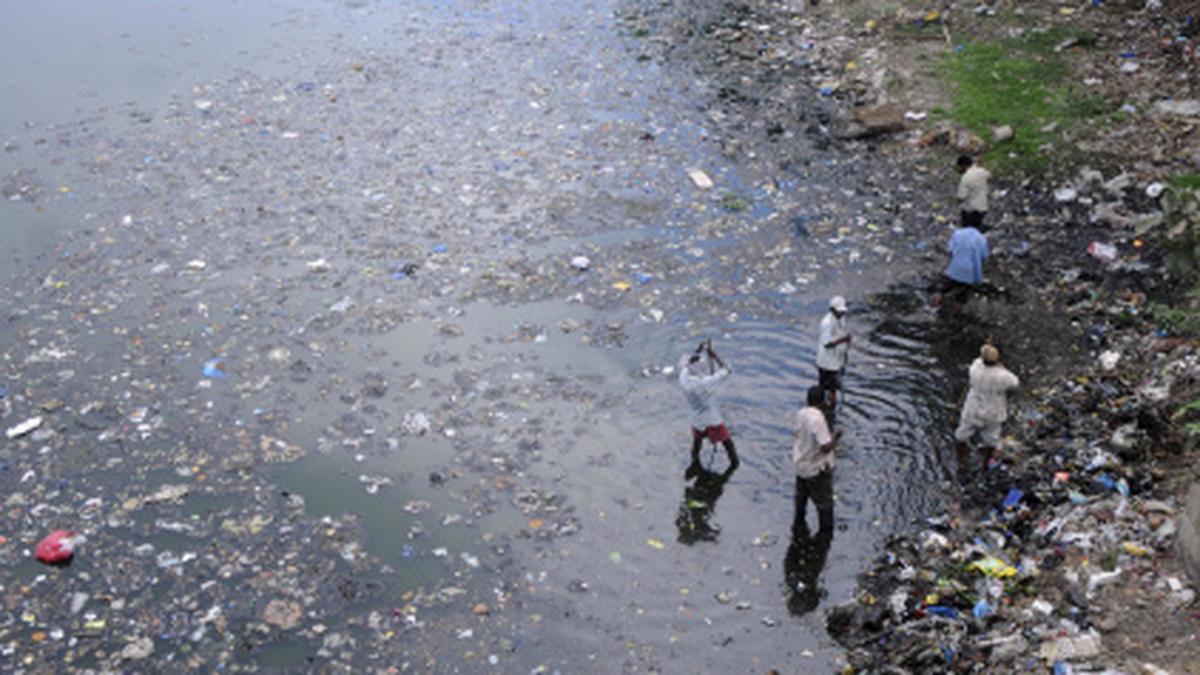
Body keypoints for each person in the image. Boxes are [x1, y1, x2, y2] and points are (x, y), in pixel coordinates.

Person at [954, 344, 1019, 477]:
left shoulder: (975, 369)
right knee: (991, 439)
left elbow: (977, 361)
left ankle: (962, 462)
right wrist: (1002, 367)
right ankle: (984, 465)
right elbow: (1015, 382)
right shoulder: (1003, 376)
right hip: (993, 412)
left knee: (961, 435)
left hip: (973, 409)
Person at [679, 340, 739, 477]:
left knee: (696, 444)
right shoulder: (706, 382)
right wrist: (715, 355)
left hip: (696, 420)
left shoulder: (683, 379)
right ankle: (734, 467)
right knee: (728, 444)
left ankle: (694, 464)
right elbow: (726, 370)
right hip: (713, 420)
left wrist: (698, 350)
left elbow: (687, 365)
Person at [793, 385, 840, 535]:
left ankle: (798, 526)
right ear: (822, 401)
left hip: (801, 465)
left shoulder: (801, 413)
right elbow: (825, 447)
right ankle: (825, 536)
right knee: (825, 505)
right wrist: (836, 437)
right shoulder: (818, 419)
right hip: (816, 469)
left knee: (801, 500)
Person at [675, 464, 735, 545]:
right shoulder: (693, 517)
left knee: (696, 516)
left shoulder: (688, 517)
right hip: (698, 507)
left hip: (697, 507)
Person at [816, 296, 851, 407]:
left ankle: (830, 405)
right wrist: (844, 340)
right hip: (827, 363)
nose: (841, 314)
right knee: (827, 387)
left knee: (833, 388)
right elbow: (827, 344)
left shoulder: (841, 318)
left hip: (836, 361)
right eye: (838, 311)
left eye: (842, 311)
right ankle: (827, 407)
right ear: (832, 310)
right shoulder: (827, 323)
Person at [956, 155, 991, 230]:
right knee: (977, 226)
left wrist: (956, 201)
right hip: (983, 208)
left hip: (970, 211)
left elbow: (961, 196)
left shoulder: (965, 177)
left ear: (963, 166)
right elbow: (989, 175)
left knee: (968, 229)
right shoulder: (982, 172)